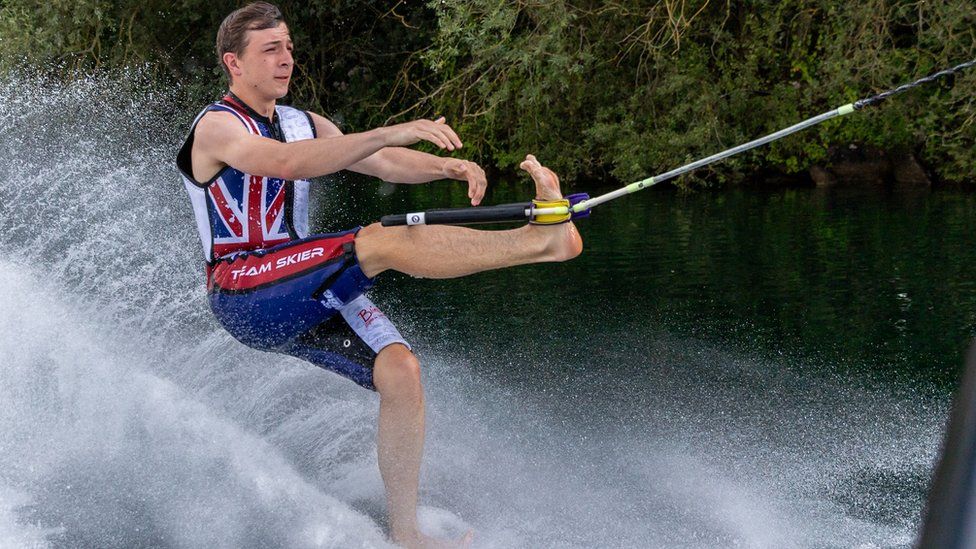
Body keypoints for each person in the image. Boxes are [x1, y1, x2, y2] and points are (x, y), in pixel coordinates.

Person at [176, 3, 582, 547]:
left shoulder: (303, 123)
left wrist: (446, 166)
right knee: (379, 240)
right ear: (234, 63)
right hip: (243, 291)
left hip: (302, 284)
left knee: (401, 372)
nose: (286, 59)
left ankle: (406, 535)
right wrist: (390, 129)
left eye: (289, 47)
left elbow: (385, 163)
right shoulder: (216, 127)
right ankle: (539, 244)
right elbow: (288, 164)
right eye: (270, 50)